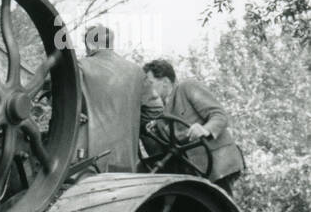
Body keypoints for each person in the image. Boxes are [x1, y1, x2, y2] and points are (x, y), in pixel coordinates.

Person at [141, 58, 244, 193]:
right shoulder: (162, 112)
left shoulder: (187, 87)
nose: (148, 88)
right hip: (199, 172)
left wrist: (205, 129)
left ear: (165, 82)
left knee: (223, 209)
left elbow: (220, 115)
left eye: (150, 83)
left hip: (219, 165)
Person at [78, 25, 162, 172]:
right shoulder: (137, 72)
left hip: (86, 164)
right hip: (126, 163)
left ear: (90, 44)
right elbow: (156, 110)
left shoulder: (80, 67)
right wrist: (131, 121)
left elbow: (64, 104)